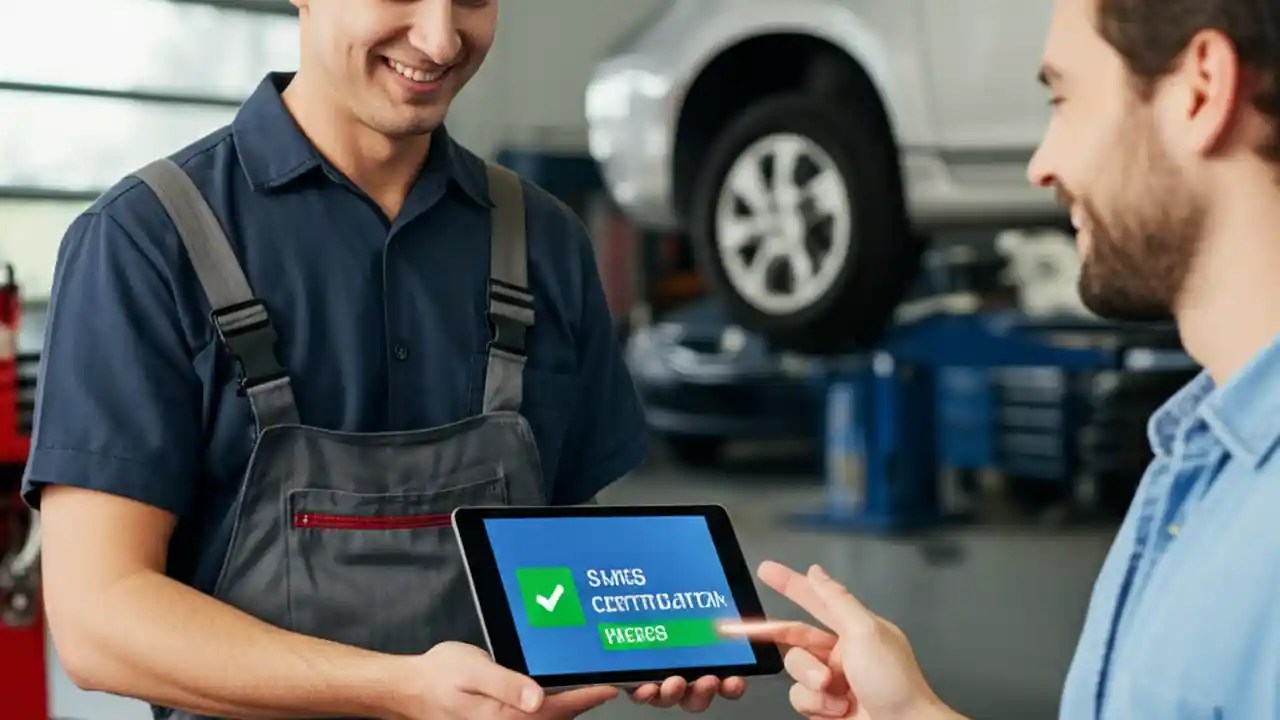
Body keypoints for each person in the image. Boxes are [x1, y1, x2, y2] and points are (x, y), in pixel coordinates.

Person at [24, 1, 745, 718]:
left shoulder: (545, 243)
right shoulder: (145, 244)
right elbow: (99, 619)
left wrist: (644, 636)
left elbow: (560, 555)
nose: (439, 38)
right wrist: (398, 691)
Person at [733, 0, 1280, 718]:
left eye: (1063, 98)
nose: (1041, 163)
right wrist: (911, 714)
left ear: (1199, 89)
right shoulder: (1198, 461)